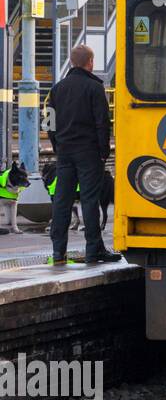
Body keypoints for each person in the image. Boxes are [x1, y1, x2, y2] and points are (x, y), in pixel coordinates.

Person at [47, 44, 121, 265]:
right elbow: (102, 123)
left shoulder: (57, 89)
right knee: (90, 201)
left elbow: (49, 124)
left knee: (62, 201)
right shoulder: (94, 88)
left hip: (65, 152)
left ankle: (58, 252)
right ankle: (93, 251)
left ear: (71, 62)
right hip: (89, 153)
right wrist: (103, 152)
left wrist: (58, 147)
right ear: (90, 62)